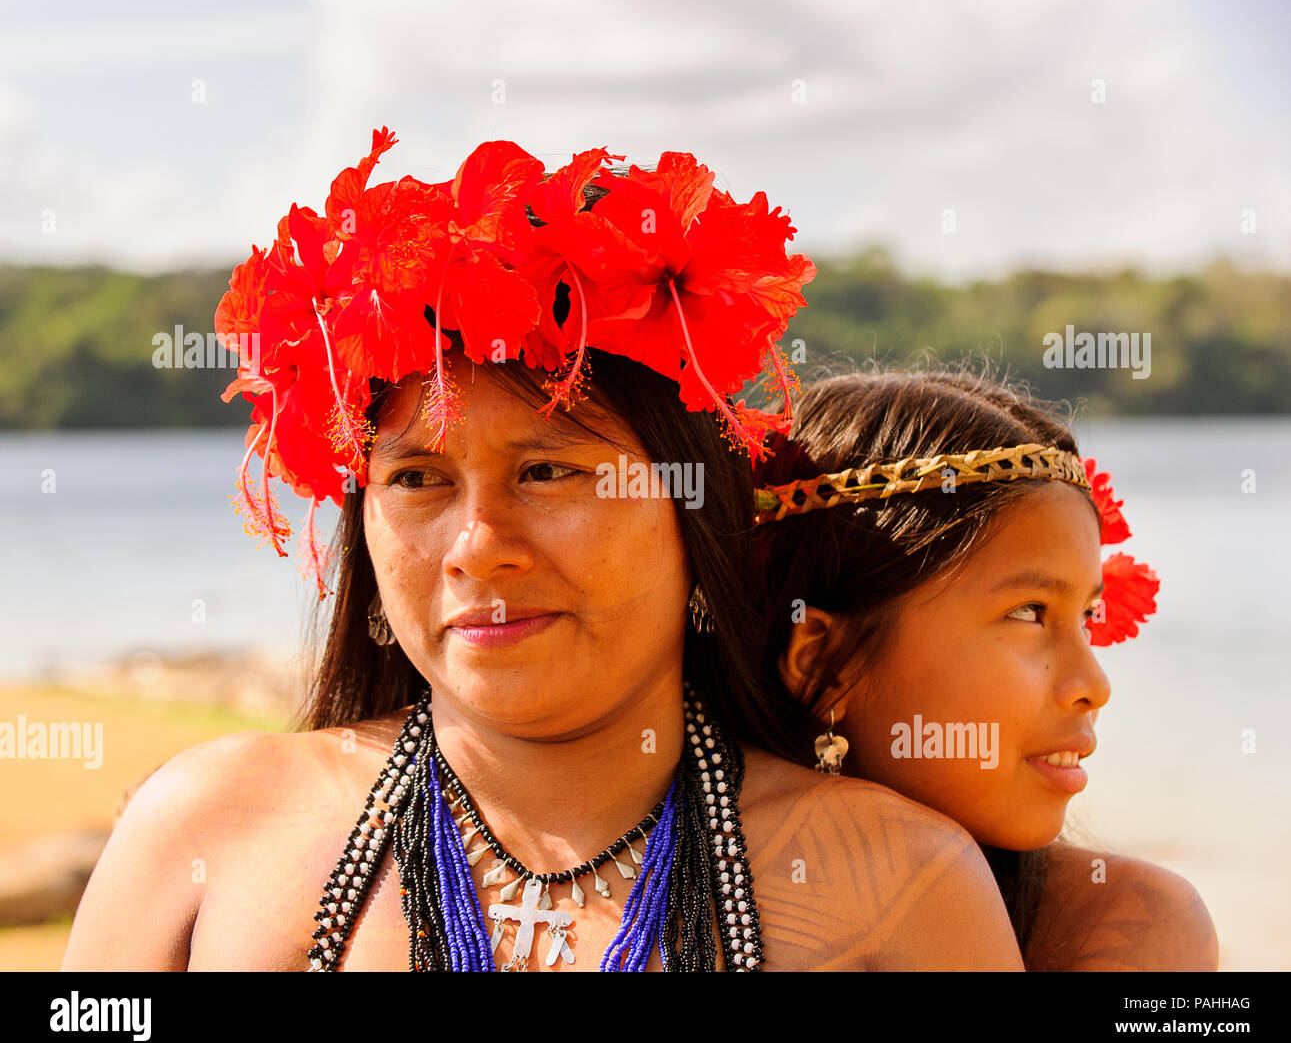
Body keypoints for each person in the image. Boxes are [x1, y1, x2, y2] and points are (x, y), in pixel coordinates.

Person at [62, 133, 1023, 971]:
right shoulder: (205, 830)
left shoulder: (903, 884)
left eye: (551, 474)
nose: (479, 548)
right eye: (417, 479)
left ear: (696, 509)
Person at [751, 367, 1218, 971]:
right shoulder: (651, 903)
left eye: (1088, 616)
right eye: (1029, 612)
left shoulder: (1133, 928)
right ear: (820, 659)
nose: (1095, 686)